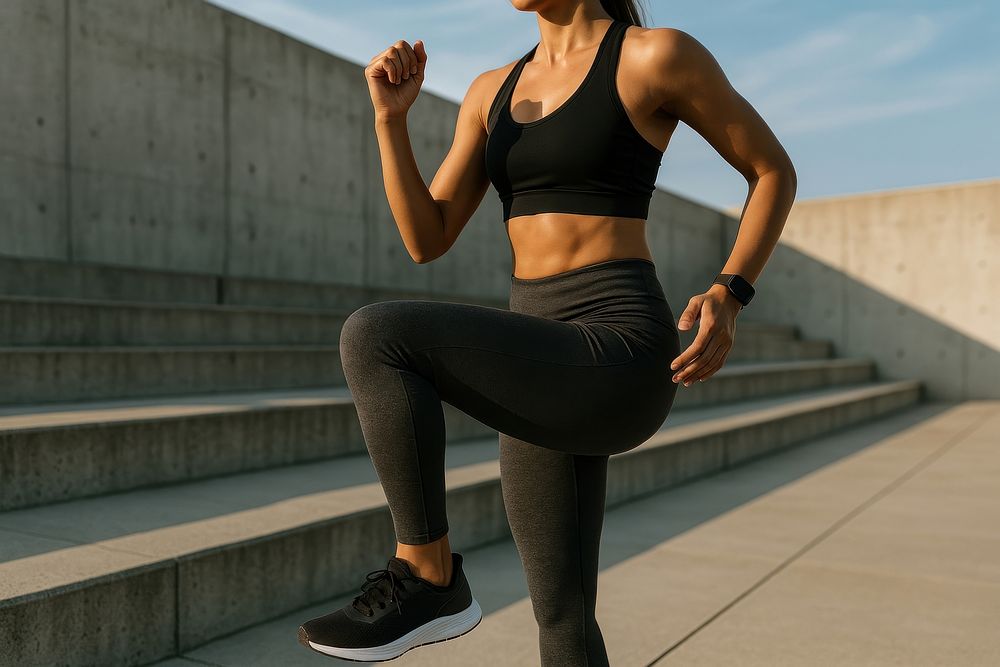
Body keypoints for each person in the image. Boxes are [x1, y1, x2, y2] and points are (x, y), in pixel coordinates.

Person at [297, 0, 796, 663]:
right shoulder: (490, 90)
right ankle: (433, 582)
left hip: (620, 349)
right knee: (561, 614)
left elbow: (771, 171)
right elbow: (427, 235)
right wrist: (391, 122)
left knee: (376, 336)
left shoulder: (654, 56)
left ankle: (427, 574)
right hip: (542, 354)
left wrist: (730, 292)